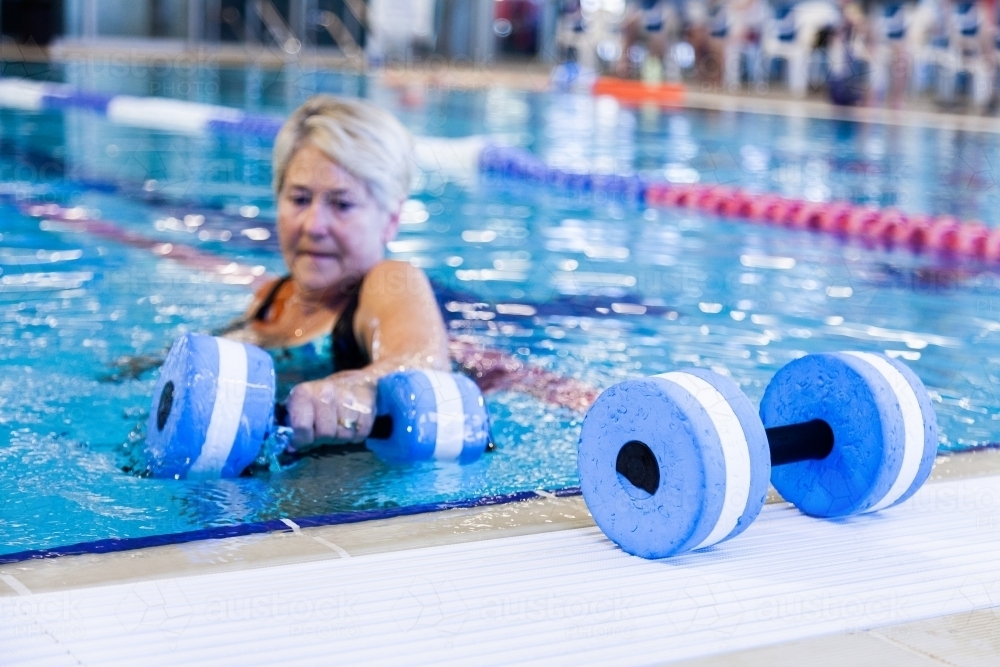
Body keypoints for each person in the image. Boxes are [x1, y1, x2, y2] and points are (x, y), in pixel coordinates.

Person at [221, 95, 450, 450]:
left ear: (390, 220)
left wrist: (359, 386)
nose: (313, 225)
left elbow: (425, 366)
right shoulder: (270, 297)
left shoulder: (389, 283)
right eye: (299, 199)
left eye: (342, 204)